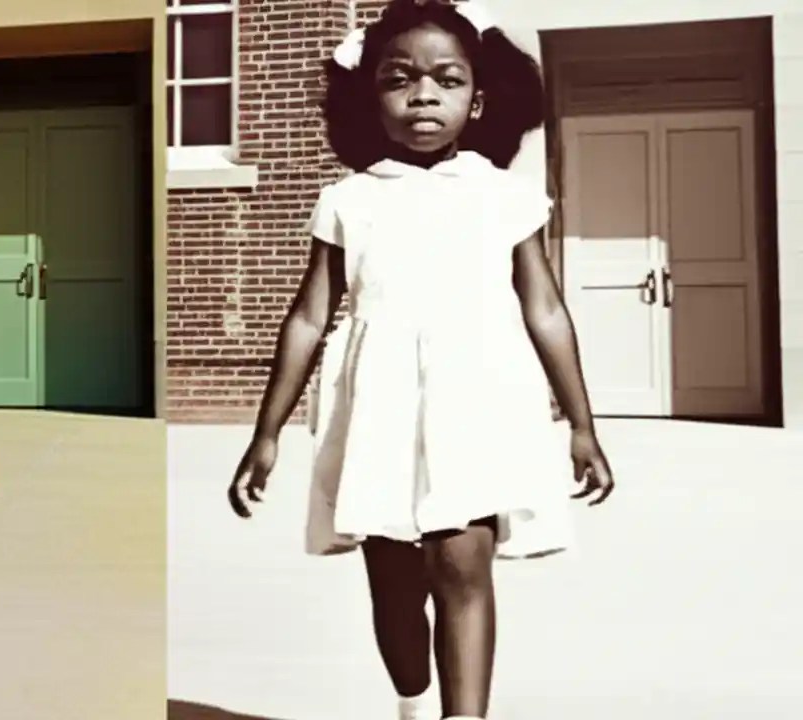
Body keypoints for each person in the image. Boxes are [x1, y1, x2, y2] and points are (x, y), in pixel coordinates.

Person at [226, 1, 616, 718]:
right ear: (367, 98)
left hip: (477, 398)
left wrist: (582, 425)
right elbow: (310, 316)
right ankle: (412, 699)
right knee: (397, 588)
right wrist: (266, 432)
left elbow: (547, 311)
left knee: (462, 565)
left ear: (478, 100)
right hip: (380, 406)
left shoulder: (506, 198)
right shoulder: (349, 200)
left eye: (447, 79)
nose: (424, 94)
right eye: (399, 79)